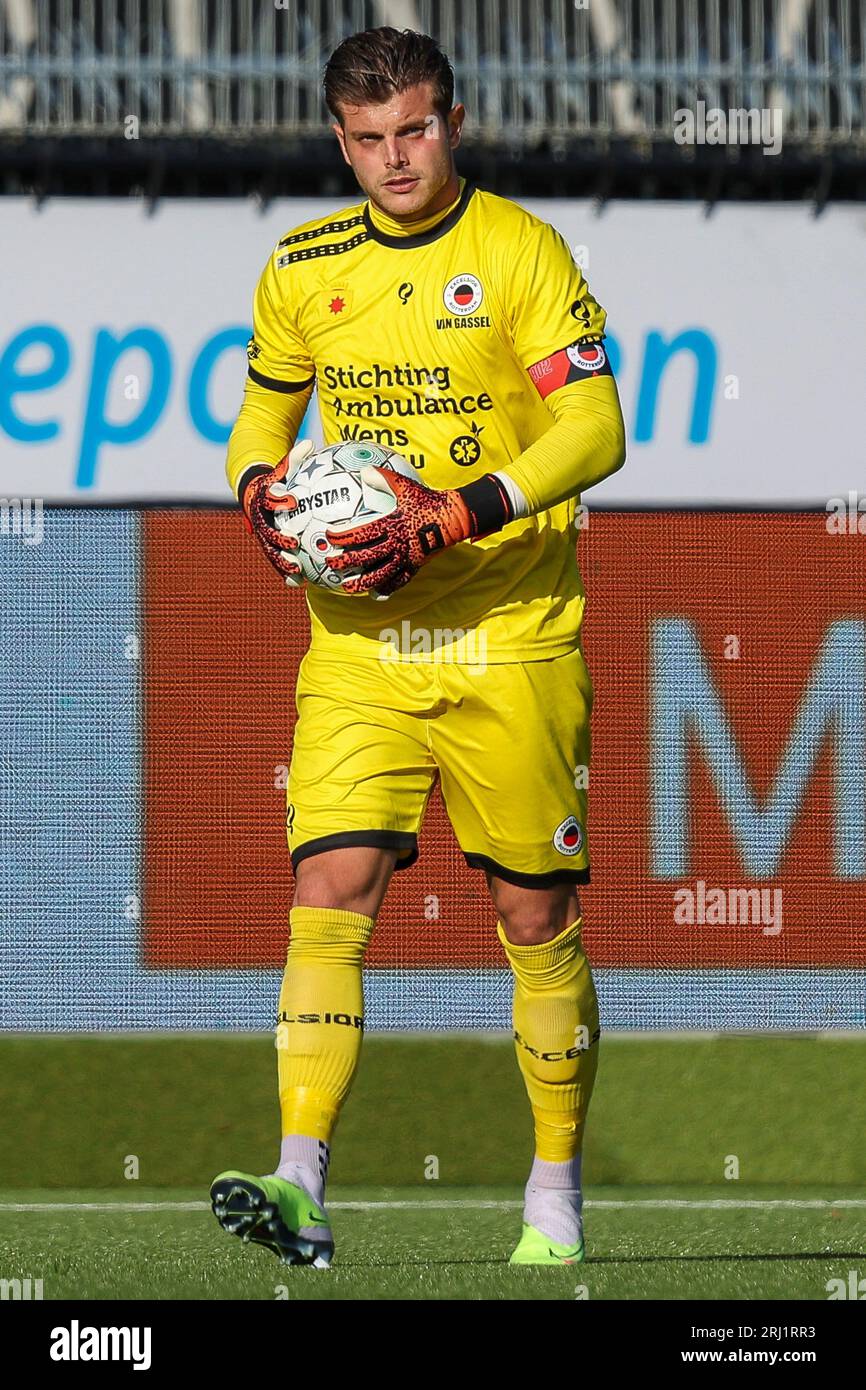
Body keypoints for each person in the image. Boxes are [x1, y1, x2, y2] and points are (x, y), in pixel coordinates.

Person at [210, 25, 626, 1268]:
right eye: (369, 139)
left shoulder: (519, 250)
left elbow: (597, 424)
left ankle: (551, 1188)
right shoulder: (300, 266)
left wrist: (457, 513)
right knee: (324, 890)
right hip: (360, 643)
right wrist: (254, 495)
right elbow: (260, 415)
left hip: (510, 631)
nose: (396, 158)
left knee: (530, 911)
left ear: (454, 119)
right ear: (339, 141)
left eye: (416, 128)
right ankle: (297, 1185)